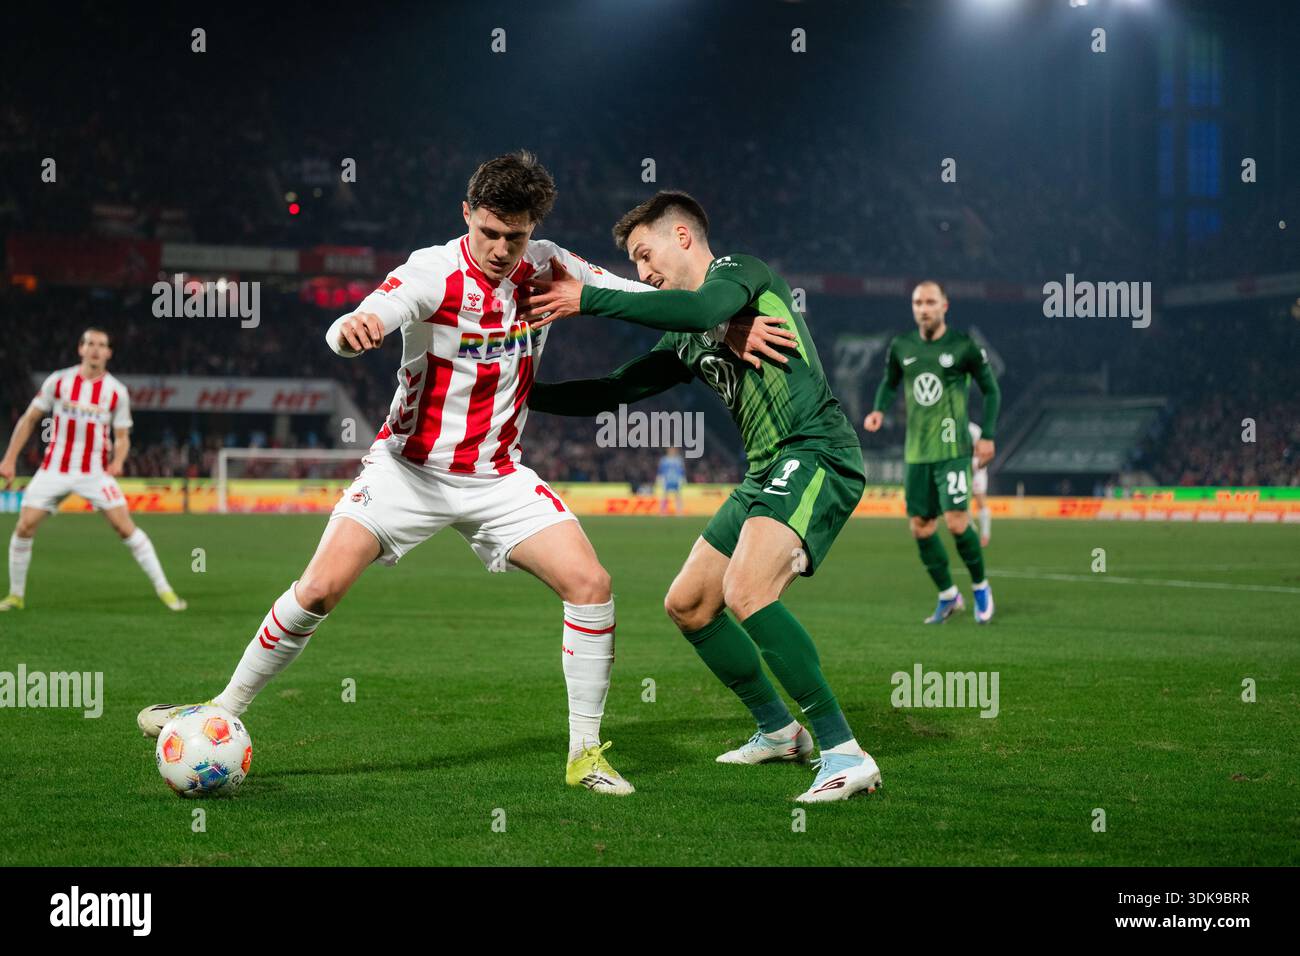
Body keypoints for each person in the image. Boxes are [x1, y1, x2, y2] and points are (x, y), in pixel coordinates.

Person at [138, 151, 661, 795]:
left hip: (497, 476)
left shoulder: (549, 265)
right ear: (467, 214)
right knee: (319, 590)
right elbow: (366, 315)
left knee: (591, 584)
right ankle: (221, 709)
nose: (500, 250)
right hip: (407, 472)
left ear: (533, 229)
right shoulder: (433, 270)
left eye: (515, 236)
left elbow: (631, 295)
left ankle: (585, 755)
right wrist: (353, 330)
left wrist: (712, 309)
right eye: (489, 232)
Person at [523, 190, 881, 803]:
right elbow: (615, 389)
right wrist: (519, 389)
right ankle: (778, 730)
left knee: (747, 590)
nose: (642, 274)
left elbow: (701, 309)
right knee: (689, 603)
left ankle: (844, 751)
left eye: (644, 254)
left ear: (682, 236)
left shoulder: (738, 274)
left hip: (814, 450)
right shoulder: (693, 335)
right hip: (765, 469)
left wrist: (586, 299)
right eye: (634, 263)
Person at [0, 328, 187, 612]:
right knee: (24, 526)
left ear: (109, 352)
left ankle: (166, 591)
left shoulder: (116, 392)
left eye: (102, 345)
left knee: (125, 527)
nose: (96, 349)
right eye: (90, 344)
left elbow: (122, 437)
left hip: (95, 473)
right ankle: (15, 596)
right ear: (80, 349)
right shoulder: (59, 381)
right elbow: (29, 420)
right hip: (54, 469)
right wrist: (9, 459)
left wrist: (118, 460)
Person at [863, 281, 1000, 624]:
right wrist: (879, 408)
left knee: (956, 522)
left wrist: (988, 436)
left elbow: (991, 391)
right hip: (916, 453)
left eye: (929, 302)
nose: (923, 308)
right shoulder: (901, 346)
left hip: (952, 449)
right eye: (917, 302)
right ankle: (948, 596)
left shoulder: (963, 347)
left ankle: (981, 587)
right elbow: (890, 381)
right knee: (921, 527)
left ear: (944, 306)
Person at [657, 448, 685, 515]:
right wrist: (659, 478)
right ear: (668, 451)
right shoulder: (664, 460)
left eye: (673, 450)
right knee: (664, 496)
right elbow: (660, 470)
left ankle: (679, 511)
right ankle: (663, 511)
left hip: (676, 480)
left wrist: (682, 478)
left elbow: (681, 470)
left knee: (678, 496)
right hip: (667, 480)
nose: (672, 451)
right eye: (670, 450)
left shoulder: (678, 460)